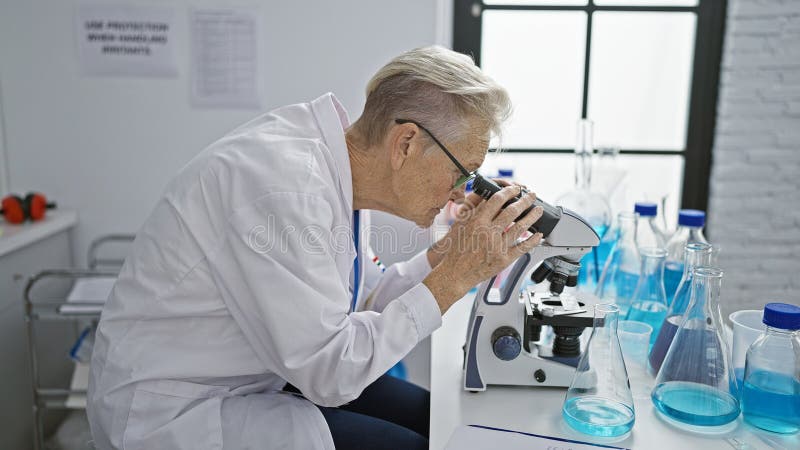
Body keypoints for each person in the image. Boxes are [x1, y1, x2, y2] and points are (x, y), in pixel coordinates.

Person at [87, 46, 544, 449]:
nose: (461, 193)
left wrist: (446, 256)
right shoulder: (284, 190)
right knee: (413, 445)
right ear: (405, 143)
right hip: (173, 411)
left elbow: (361, 299)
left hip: (257, 373)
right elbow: (331, 376)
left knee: (438, 422)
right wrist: (454, 278)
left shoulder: (333, 167)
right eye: (462, 173)